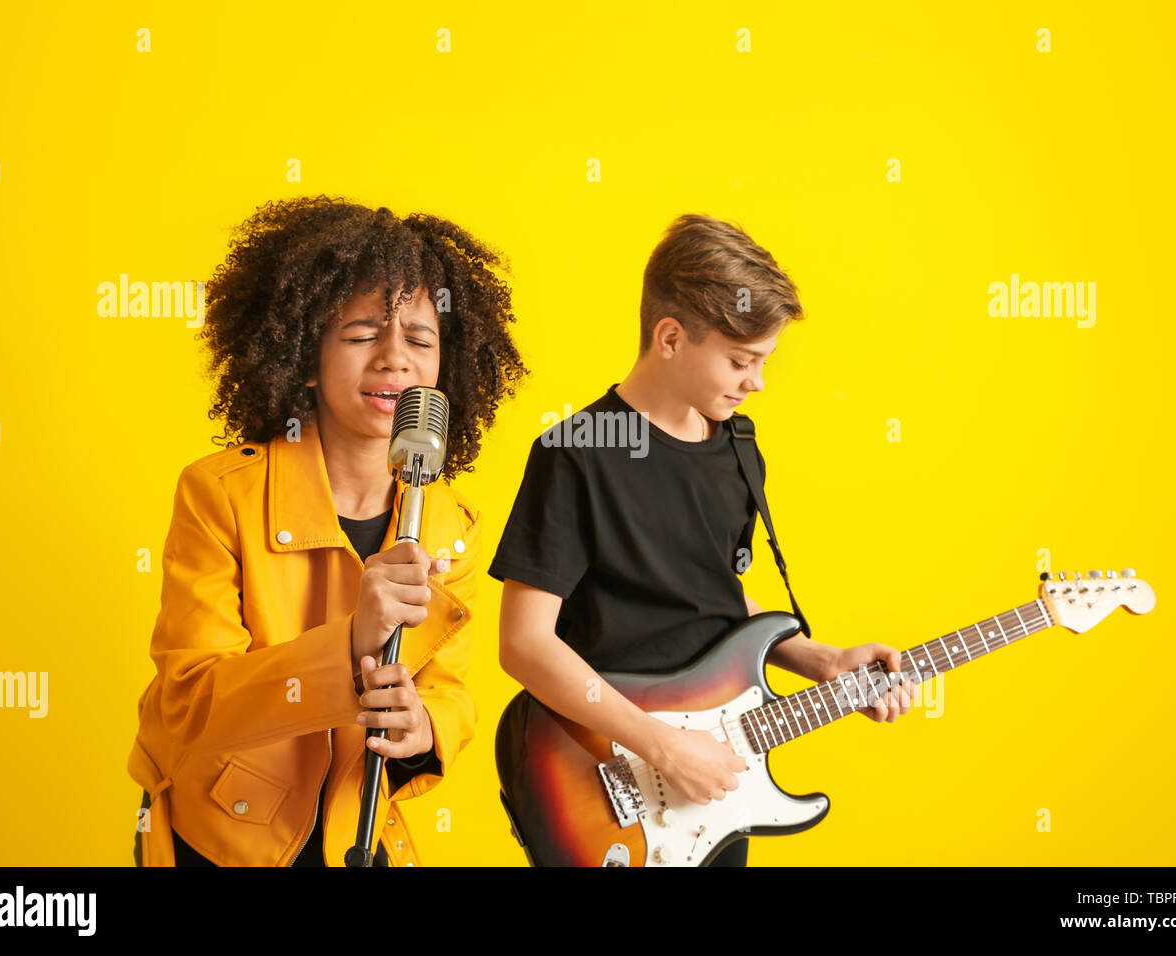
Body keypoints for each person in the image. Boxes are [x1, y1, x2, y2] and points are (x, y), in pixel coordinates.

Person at [489, 213, 915, 867]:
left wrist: (821, 661)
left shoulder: (739, 451)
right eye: (741, 360)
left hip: (715, 791)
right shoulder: (576, 453)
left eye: (764, 361)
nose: (757, 382)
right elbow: (524, 645)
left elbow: (711, 600)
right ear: (669, 337)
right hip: (611, 783)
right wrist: (662, 747)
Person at [128, 196, 526, 866]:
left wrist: (422, 727)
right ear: (304, 356)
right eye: (364, 334)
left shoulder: (450, 526)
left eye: (421, 340)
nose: (395, 360)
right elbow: (192, 706)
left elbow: (448, 687)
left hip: (359, 834)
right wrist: (350, 641)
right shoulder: (219, 495)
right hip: (222, 837)